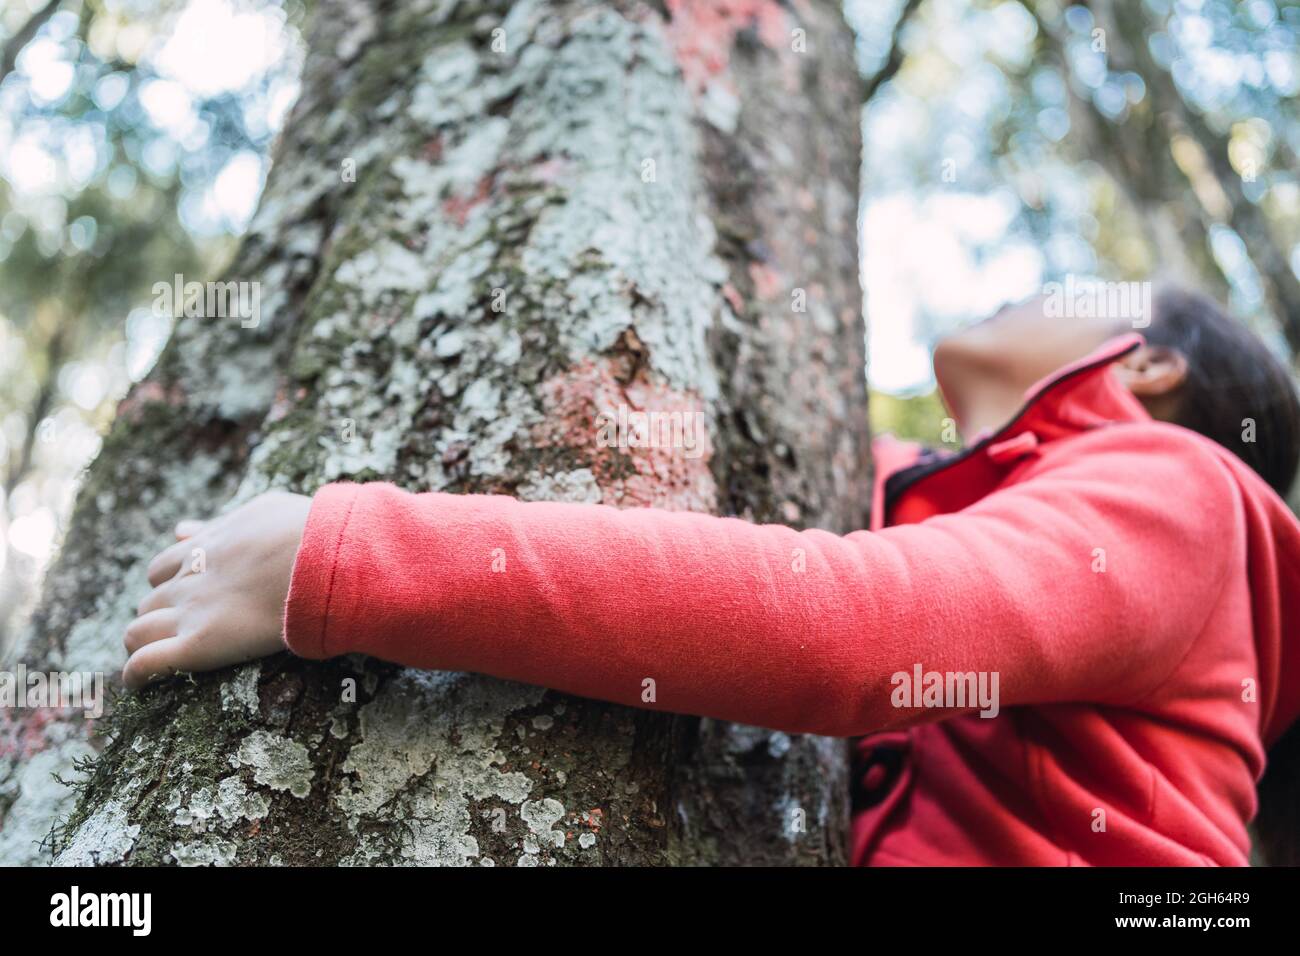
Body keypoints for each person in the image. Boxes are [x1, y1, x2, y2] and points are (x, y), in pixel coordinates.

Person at [122, 285, 1300, 865]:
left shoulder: (1182, 489)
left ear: (1143, 359)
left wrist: (342, 555)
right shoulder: (971, 503)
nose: (1026, 286)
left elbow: (859, 627)